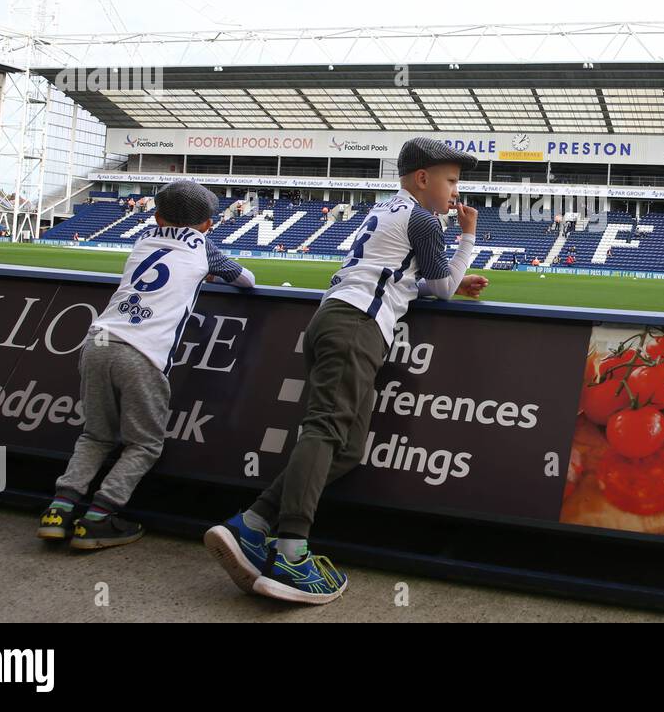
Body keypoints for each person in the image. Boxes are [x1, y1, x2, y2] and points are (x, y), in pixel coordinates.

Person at [204, 138, 487, 604]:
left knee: (349, 448)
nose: (456, 192)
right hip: (357, 327)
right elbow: (445, 288)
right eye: (451, 180)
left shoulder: (389, 209)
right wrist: (469, 237)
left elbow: (391, 273)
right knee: (327, 430)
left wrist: (424, 281)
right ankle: (291, 554)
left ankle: (252, 524)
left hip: (335, 319)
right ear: (422, 178)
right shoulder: (426, 220)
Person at [39, 180, 256, 549]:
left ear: (156, 216)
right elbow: (247, 280)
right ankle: (97, 519)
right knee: (144, 444)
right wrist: (209, 271)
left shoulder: (143, 240)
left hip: (98, 340)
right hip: (141, 352)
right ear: (207, 224)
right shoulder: (204, 246)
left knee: (95, 435)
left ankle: (59, 512)